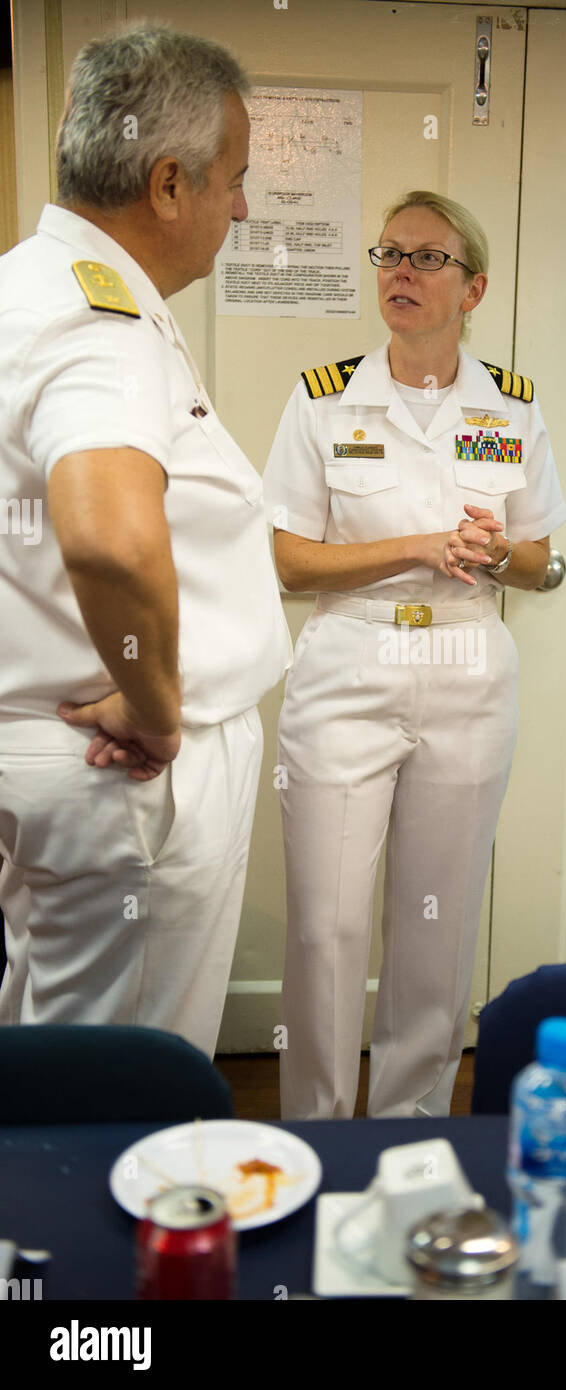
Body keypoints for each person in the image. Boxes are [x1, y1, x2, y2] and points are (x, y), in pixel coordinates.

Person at [0, 24, 290, 1058]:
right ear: (169, 183)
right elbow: (114, 540)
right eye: (235, 178)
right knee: (122, 1087)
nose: (243, 205)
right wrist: (156, 707)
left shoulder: (23, 286)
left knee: (46, 1056)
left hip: (50, 754)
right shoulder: (99, 322)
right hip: (123, 772)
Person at [263, 190, 566, 1118]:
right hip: (350, 661)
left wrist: (499, 553)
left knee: (436, 929)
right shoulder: (322, 399)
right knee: (326, 929)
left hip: (469, 667)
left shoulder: (510, 407)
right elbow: (283, 560)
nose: (401, 270)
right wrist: (416, 547)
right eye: (390, 254)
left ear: (472, 287)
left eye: (428, 258)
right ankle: (315, 1132)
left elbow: (547, 566)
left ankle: (409, 1133)